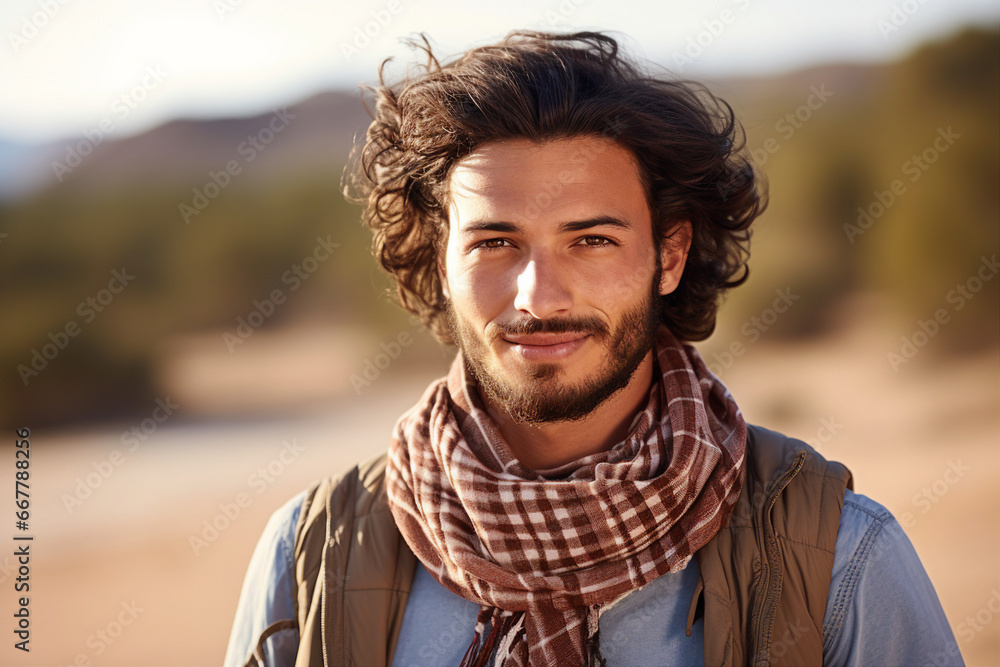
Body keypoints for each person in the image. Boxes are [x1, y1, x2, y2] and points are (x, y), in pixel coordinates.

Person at [223, 31, 963, 667]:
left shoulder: (837, 556)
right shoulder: (310, 557)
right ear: (439, 260)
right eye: (494, 242)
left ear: (669, 256)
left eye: (591, 239)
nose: (539, 297)